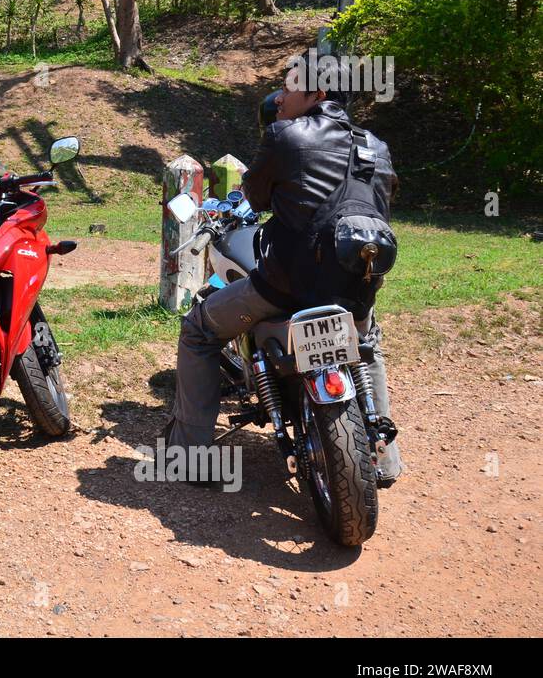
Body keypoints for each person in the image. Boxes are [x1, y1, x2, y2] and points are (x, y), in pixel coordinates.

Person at [163, 50, 404, 485]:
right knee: (367, 345)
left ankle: (190, 456)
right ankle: (383, 461)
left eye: (289, 86)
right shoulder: (378, 147)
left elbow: (255, 197)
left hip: (285, 286)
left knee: (198, 330)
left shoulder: (285, 135)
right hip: (356, 289)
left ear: (318, 93)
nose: (279, 97)